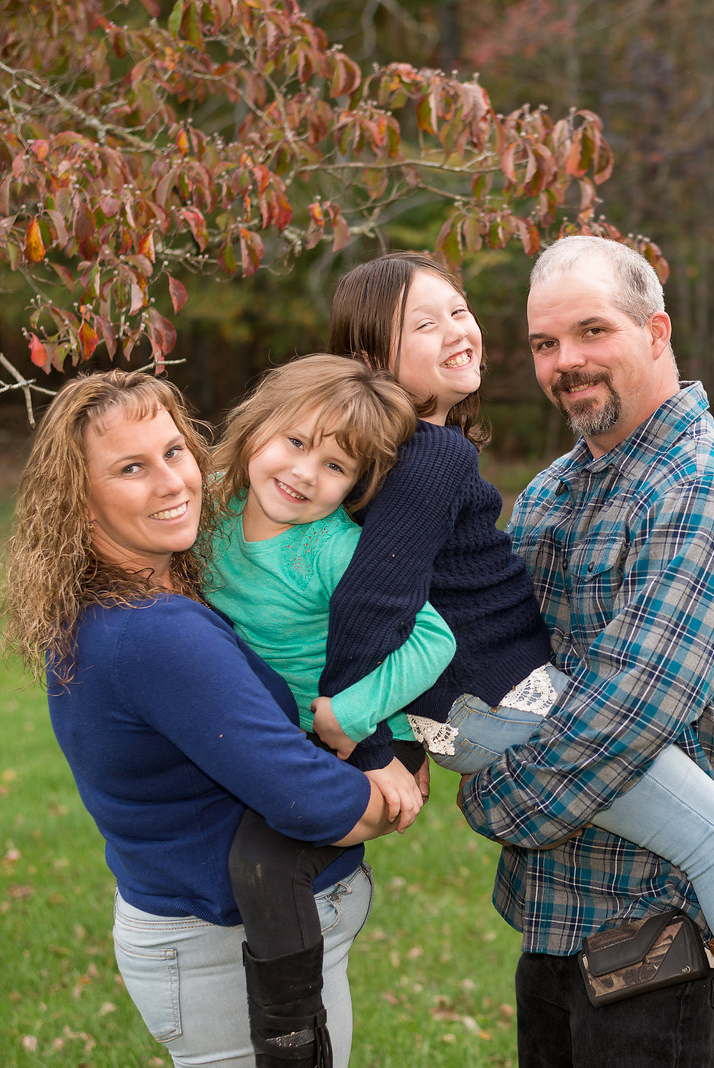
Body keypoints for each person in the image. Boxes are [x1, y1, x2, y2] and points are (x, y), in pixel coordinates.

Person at [320, 248, 714, 1068]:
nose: (567, 361)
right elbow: (435, 622)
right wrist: (397, 742)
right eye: (546, 343)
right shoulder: (551, 491)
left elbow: (626, 714)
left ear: (657, 331)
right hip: (553, 918)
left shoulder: (704, 488)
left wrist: (488, 798)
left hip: (658, 942)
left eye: (593, 331)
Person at [0, 370, 404, 1068]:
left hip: (211, 936)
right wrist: (388, 793)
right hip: (222, 952)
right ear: (79, 499)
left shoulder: (138, 599)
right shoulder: (155, 632)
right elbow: (308, 801)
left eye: (173, 452)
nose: (172, 483)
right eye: (131, 468)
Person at [203, 353, 455, 1067]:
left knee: (263, 861)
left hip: (361, 734)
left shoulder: (332, 549)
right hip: (278, 730)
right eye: (295, 442)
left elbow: (434, 640)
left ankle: (290, 1041)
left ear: (356, 486)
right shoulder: (210, 516)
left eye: (336, 466)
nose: (305, 473)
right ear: (257, 426)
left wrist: (350, 713)